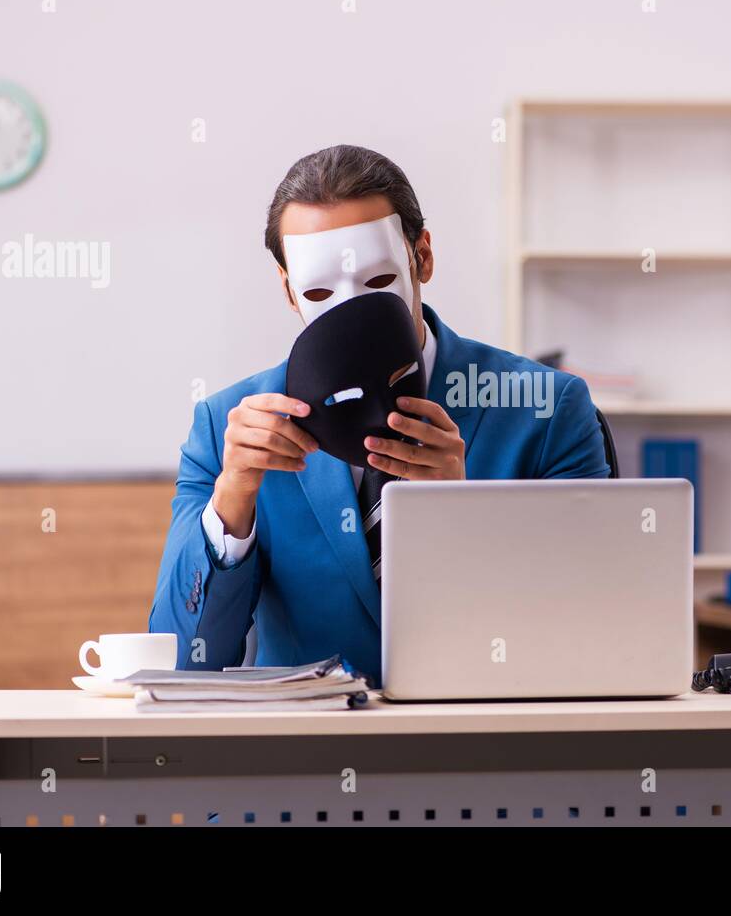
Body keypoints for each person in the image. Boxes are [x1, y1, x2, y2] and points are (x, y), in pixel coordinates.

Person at [148, 145, 610, 680]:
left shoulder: (547, 410)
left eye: (377, 281)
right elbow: (184, 661)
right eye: (320, 289)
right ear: (288, 289)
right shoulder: (227, 426)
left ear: (423, 258)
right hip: (305, 749)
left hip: (485, 739)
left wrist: (467, 519)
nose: (351, 311)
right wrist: (231, 502)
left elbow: (591, 635)